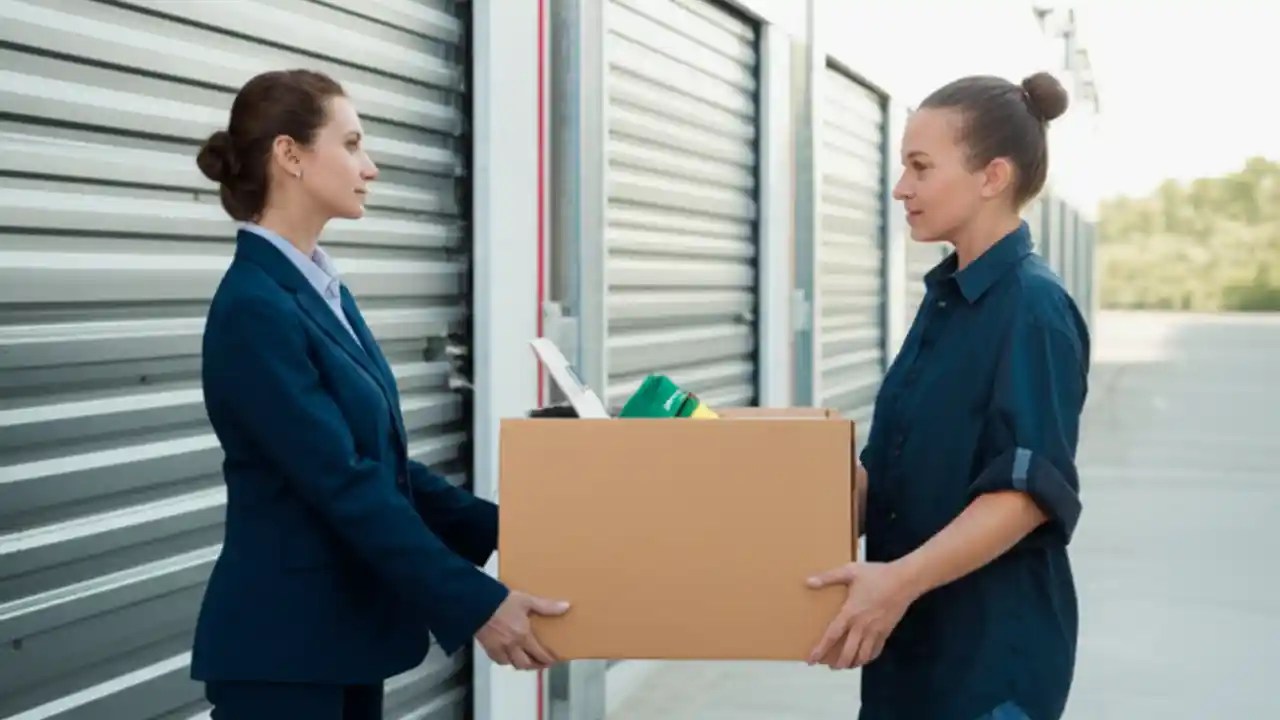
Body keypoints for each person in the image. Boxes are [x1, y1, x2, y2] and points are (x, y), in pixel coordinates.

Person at [191, 69, 568, 719]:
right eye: (353, 143)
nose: (371, 166)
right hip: (284, 653)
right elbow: (341, 481)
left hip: (337, 643)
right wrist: (477, 602)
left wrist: (521, 531)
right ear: (291, 156)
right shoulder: (256, 307)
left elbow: (381, 465)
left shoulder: (317, 292)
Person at [806, 72, 1088, 720]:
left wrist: (893, 584)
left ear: (992, 176)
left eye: (920, 167)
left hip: (989, 660)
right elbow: (889, 474)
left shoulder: (1032, 309)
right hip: (914, 641)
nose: (900, 187)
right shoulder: (947, 302)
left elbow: (1025, 495)